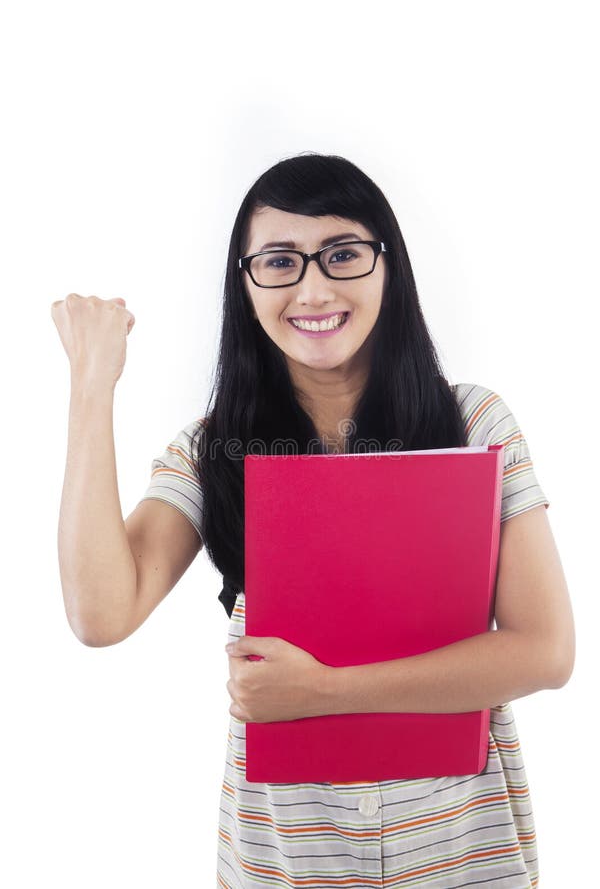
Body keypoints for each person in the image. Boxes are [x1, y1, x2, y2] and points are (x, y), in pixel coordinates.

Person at [51, 152, 575, 888]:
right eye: (279, 262)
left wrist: (325, 691)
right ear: (245, 283)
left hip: (462, 849)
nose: (313, 288)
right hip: (288, 858)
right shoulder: (212, 452)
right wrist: (91, 383)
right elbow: (101, 613)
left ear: (388, 265)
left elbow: (545, 653)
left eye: (341, 254)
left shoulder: (474, 425)